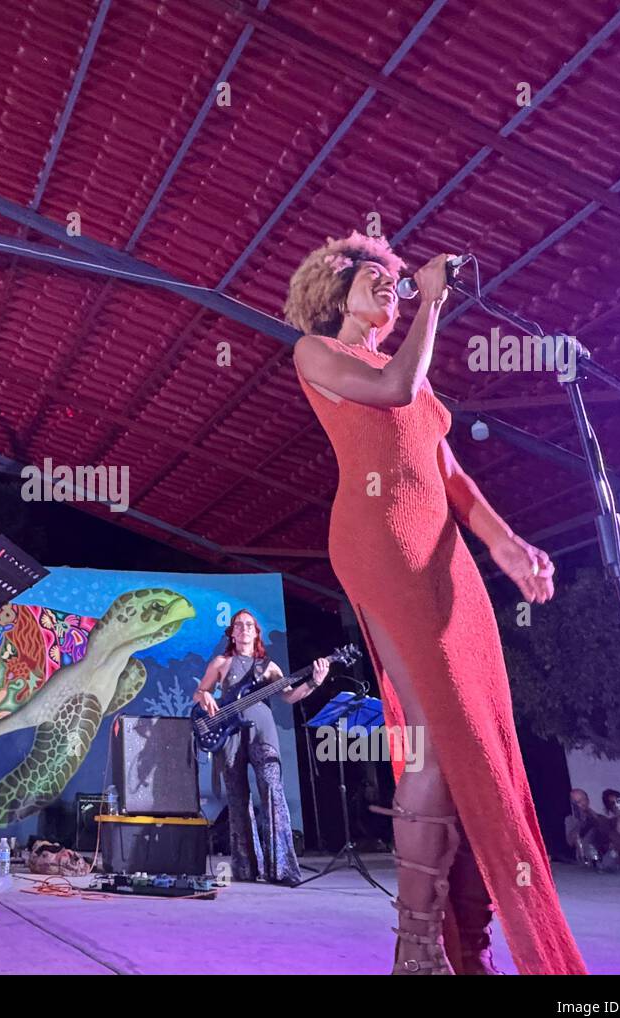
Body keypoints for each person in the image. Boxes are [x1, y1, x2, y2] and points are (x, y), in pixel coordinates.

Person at [286, 232, 586, 975]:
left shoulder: (410, 371)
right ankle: (419, 951)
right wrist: (435, 300)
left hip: (446, 552)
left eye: (397, 283)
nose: (391, 287)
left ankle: (469, 946)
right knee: (430, 731)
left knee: (474, 745)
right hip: (381, 538)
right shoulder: (318, 354)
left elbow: (453, 479)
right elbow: (391, 394)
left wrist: (509, 546)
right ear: (335, 292)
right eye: (375, 279)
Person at [193, 610, 329, 886]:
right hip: (230, 734)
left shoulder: (268, 667)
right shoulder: (221, 662)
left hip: (263, 734)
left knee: (272, 792)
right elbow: (200, 693)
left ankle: (281, 868)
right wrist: (204, 694)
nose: (243, 628)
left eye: (249, 625)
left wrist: (314, 682)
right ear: (232, 632)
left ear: (256, 632)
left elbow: (289, 697)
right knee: (237, 799)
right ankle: (246, 868)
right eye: (238, 625)